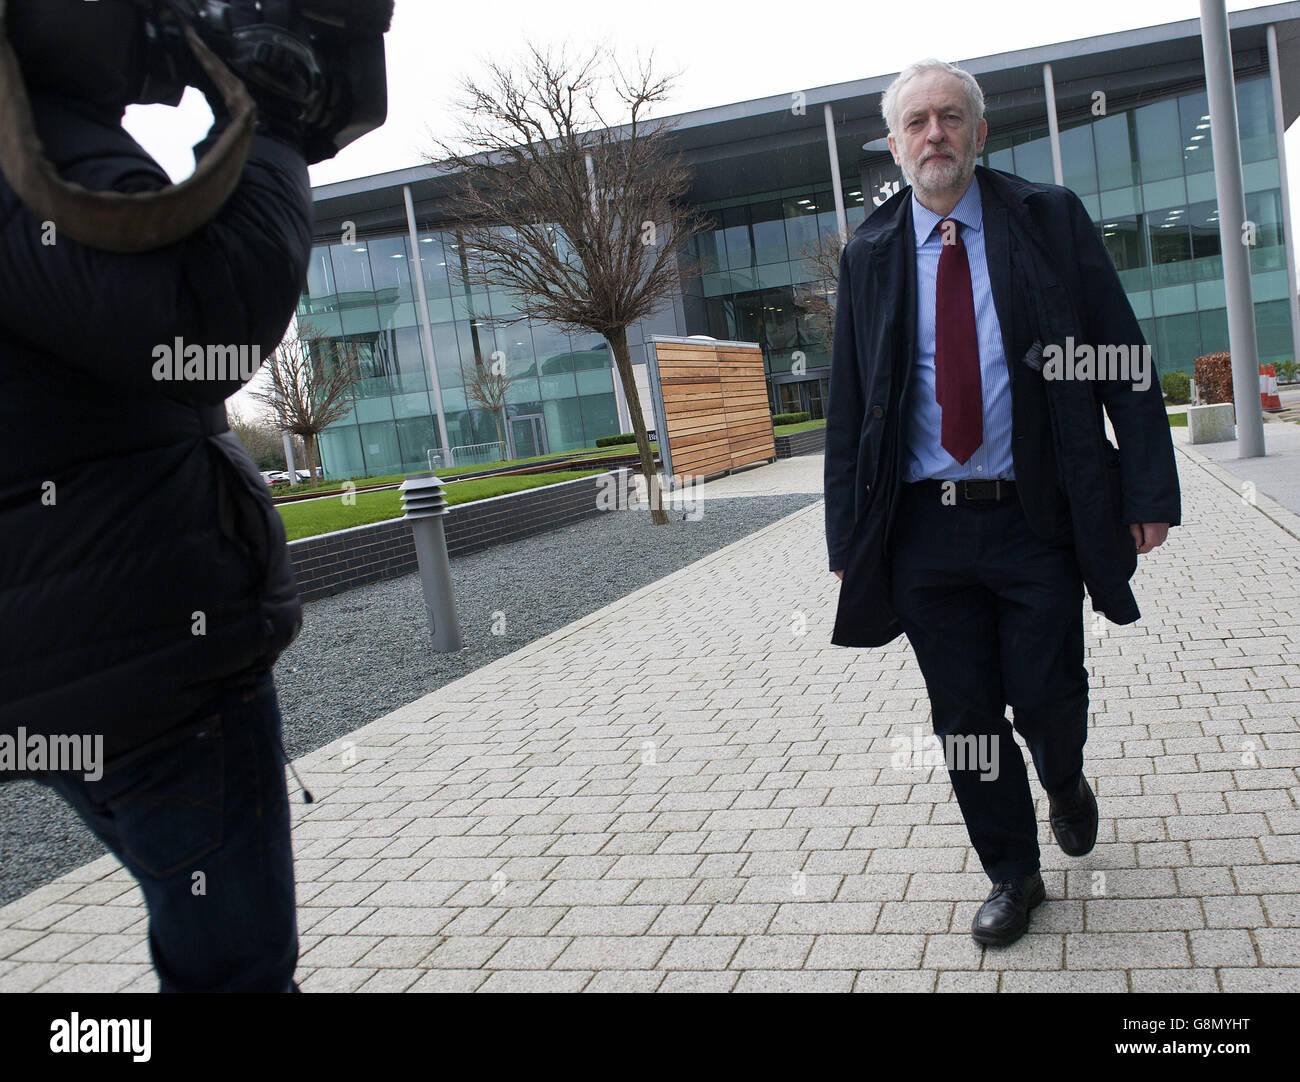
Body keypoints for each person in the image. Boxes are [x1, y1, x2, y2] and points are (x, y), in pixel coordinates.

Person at [824, 58, 1181, 947]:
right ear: (897, 144)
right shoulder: (869, 253)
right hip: (922, 528)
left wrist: (1145, 487)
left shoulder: (1046, 221)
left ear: (980, 133)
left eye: (951, 117)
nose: (934, 133)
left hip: (1036, 516)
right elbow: (846, 407)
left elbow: (1118, 358)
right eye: (917, 122)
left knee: (1048, 695)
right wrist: (847, 534)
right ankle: (1012, 874)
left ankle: (1065, 776)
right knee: (965, 716)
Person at [0, 2, 314, 990]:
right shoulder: (35, 150)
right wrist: (279, 131)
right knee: (235, 971)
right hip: (152, 664)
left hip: (63, 652)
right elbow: (197, 318)